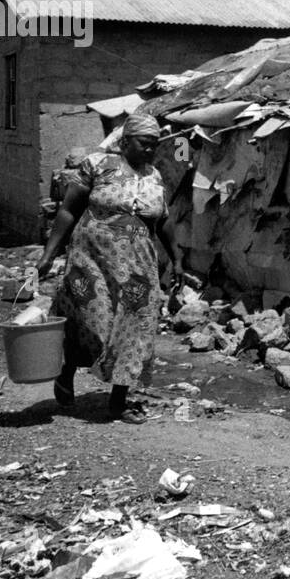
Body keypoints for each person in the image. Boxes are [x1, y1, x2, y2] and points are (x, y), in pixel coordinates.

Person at [35, 114, 182, 423]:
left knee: (135, 327)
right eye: (144, 144)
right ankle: (66, 371)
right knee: (90, 319)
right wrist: (49, 253)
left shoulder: (154, 176)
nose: (149, 151)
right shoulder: (97, 165)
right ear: (125, 141)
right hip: (92, 261)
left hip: (138, 268)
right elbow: (68, 211)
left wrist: (178, 259)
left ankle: (118, 401)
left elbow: (163, 220)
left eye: (154, 145)